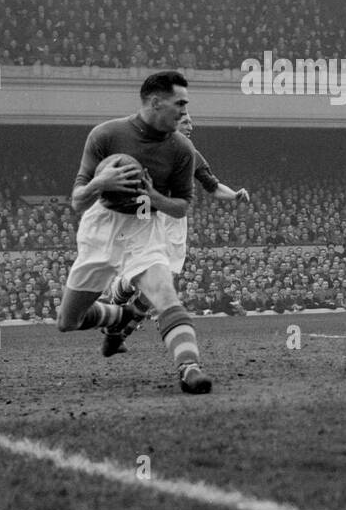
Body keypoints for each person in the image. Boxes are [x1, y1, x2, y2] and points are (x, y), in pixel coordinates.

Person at [55, 71, 212, 394]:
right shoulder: (106, 135)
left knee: (165, 294)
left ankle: (189, 368)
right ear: (155, 102)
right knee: (68, 321)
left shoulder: (182, 149)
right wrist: (102, 183)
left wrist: (154, 198)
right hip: (102, 225)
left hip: (145, 225)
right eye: (179, 104)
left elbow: (181, 207)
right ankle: (119, 316)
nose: (184, 111)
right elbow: (77, 201)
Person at [100, 112, 251, 355]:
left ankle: (121, 332)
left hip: (174, 225)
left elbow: (211, 186)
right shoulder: (145, 149)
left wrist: (234, 195)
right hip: (147, 217)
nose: (191, 126)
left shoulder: (190, 153)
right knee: (137, 276)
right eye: (185, 122)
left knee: (161, 283)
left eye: (191, 122)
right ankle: (116, 300)